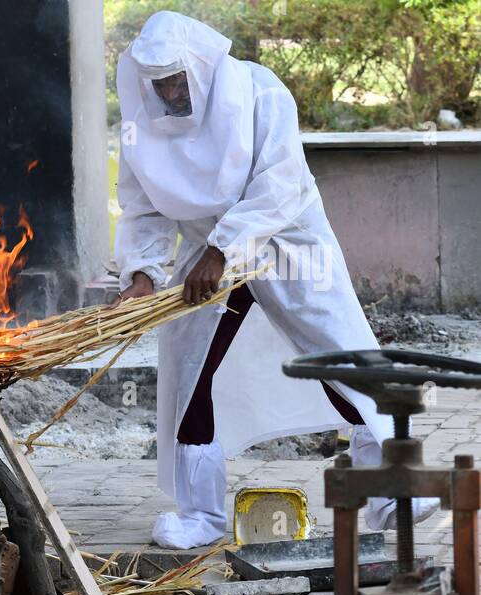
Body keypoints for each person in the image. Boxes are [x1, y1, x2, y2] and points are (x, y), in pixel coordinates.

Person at [113, 11, 437, 550]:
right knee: (192, 369)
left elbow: (280, 182)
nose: (169, 92)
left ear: (198, 67)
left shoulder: (260, 92)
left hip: (286, 240)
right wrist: (144, 271)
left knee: (336, 352)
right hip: (202, 254)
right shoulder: (142, 123)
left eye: (176, 79)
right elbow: (142, 205)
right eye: (159, 83)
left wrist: (224, 247)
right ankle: (200, 515)